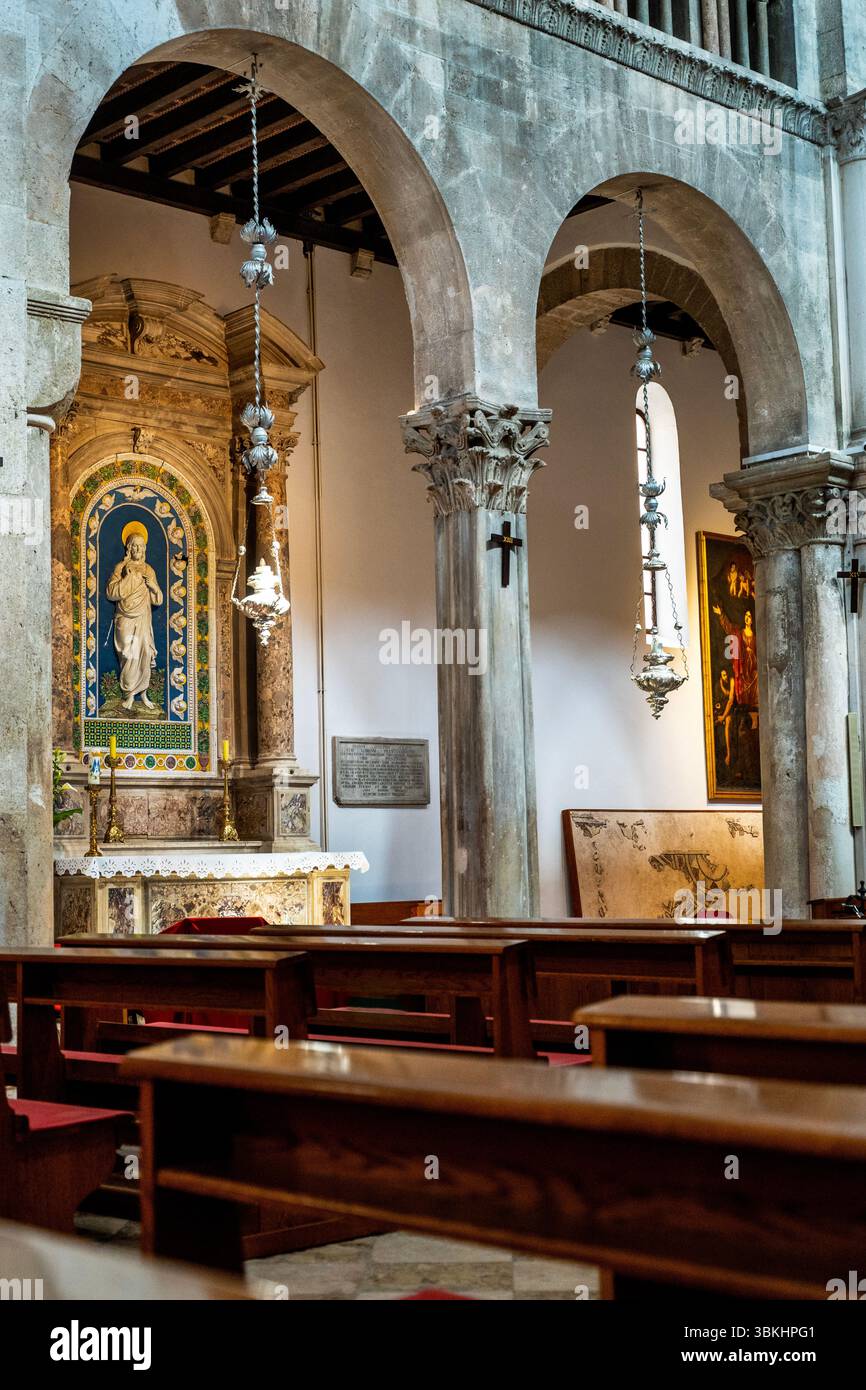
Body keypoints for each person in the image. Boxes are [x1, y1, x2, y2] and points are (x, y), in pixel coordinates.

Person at [106, 521, 163, 711]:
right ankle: (129, 694)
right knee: (129, 653)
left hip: (143, 618)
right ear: (129, 548)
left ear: (144, 548)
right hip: (125, 617)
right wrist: (127, 579)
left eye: (141, 545)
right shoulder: (120, 568)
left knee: (144, 653)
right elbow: (111, 592)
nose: (137, 548)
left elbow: (158, 600)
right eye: (134, 545)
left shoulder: (149, 570)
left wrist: (153, 586)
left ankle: (143, 694)